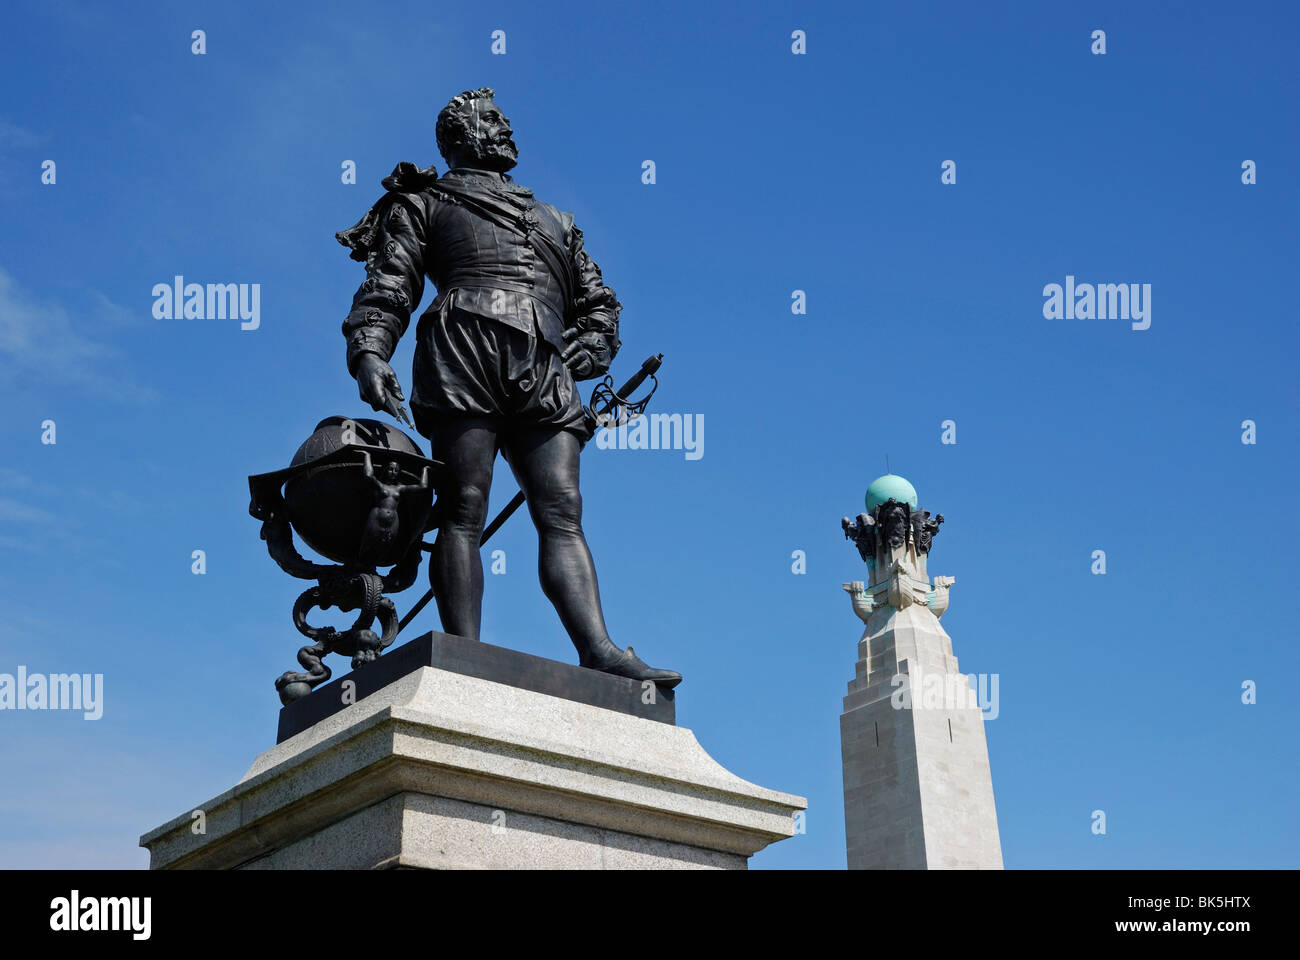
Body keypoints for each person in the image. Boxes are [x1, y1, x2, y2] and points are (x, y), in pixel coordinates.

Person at [336, 87, 680, 688]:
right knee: (464, 506)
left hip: (545, 359)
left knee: (563, 509)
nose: (505, 127)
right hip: (463, 346)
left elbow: (598, 300)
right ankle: (464, 652)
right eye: (491, 120)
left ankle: (597, 649)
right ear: (459, 136)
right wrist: (370, 349)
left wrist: (595, 341)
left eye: (503, 118)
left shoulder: (555, 219)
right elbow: (391, 282)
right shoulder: (423, 201)